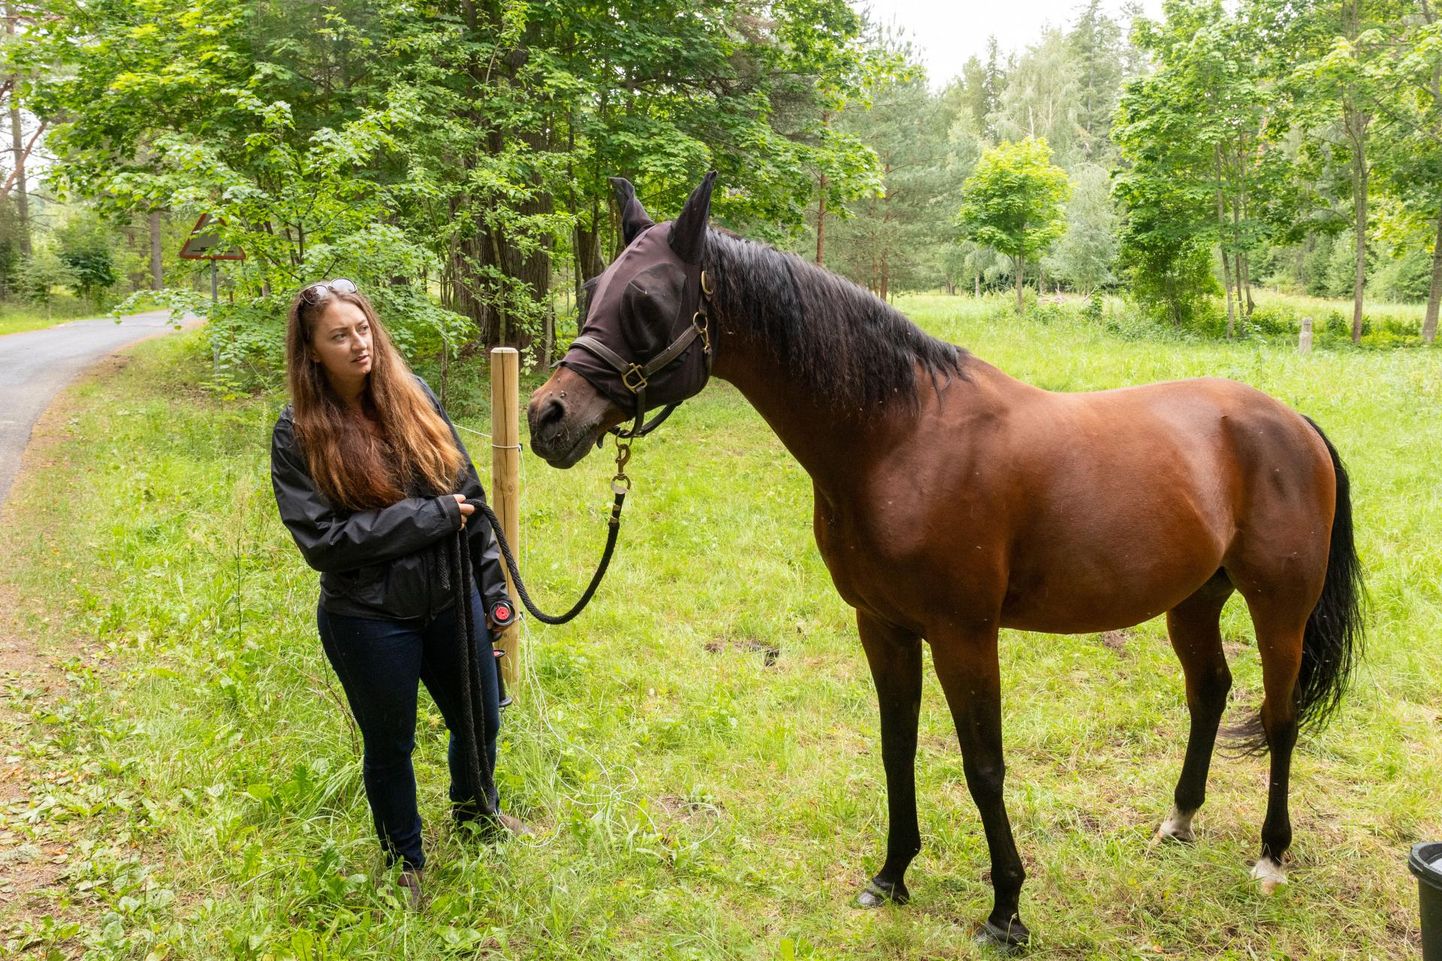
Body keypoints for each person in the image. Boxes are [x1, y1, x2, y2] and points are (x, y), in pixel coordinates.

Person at [270, 278, 523, 908]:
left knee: (482, 716)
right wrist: (430, 518)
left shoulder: (414, 398)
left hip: (449, 597)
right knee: (391, 744)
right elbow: (324, 542)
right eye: (338, 336)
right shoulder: (297, 432)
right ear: (312, 352)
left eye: (362, 330)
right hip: (369, 616)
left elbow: (471, 502)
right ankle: (404, 860)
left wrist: (492, 596)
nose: (358, 345)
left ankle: (476, 813)